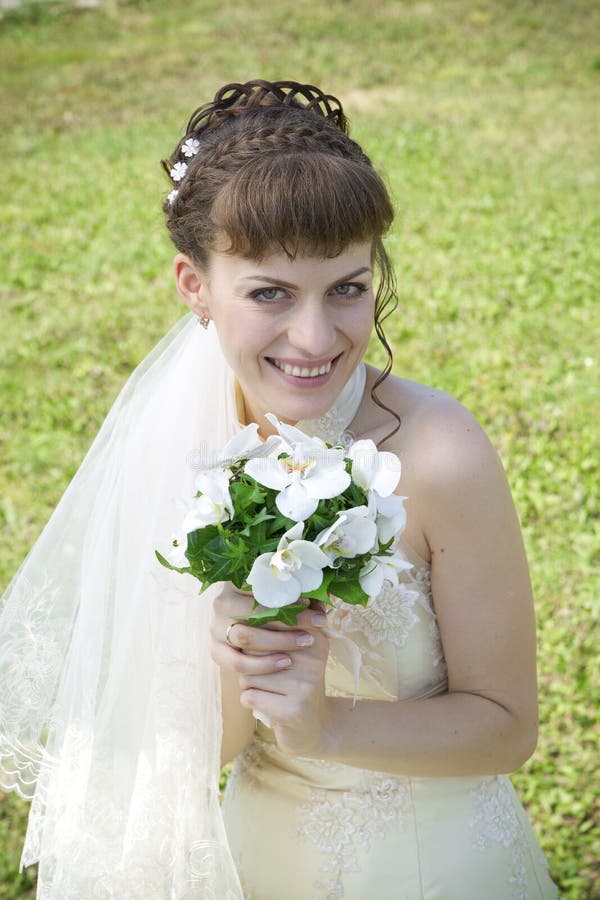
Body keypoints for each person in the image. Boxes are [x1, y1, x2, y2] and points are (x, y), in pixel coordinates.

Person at [0, 79, 557, 899]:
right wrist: (237, 653)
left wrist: (328, 724)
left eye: (348, 288)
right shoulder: (177, 450)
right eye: (269, 294)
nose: (315, 337)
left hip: (429, 866)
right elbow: (206, 749)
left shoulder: (440, 455)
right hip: (258, 860)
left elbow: (507, 729)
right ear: (194, 286)